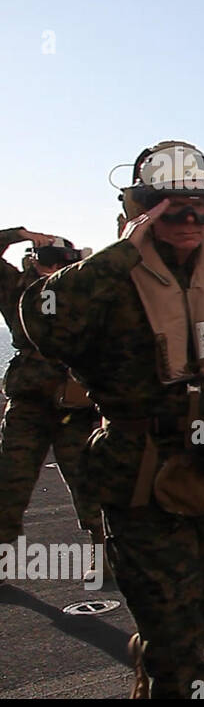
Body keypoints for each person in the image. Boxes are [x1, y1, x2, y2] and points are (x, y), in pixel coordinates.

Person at [21, 140, 204, 698]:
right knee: (174, 636)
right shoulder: (110, 280)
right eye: (172, 209)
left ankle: (158, 648)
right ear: (144, 210)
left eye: (201, 209)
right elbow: (43, 322)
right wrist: (124, 249)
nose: (189, 220)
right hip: (137, 473)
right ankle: (166, 669)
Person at [0, 231, 104, 585]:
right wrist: (22, 234)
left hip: (77, 404)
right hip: (29, 402)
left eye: (58, 259)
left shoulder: (84, 288)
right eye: (45, 257)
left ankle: (104, 554)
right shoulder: (15, 287)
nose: (51, 264)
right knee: (9, 484)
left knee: (88, 484)